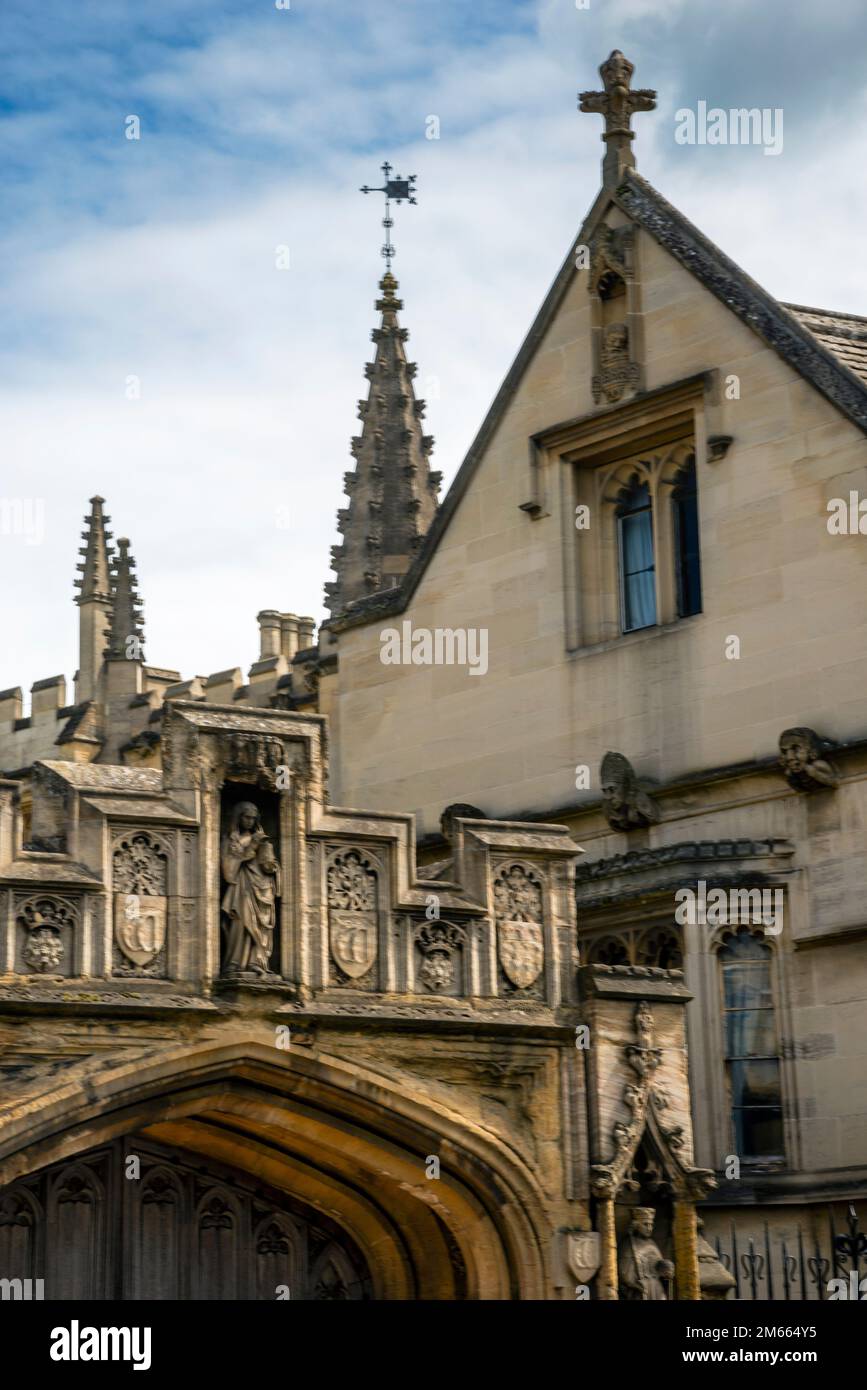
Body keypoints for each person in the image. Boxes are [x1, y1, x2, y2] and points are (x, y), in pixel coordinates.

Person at [220, 801, 280, 977]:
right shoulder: (231, 840)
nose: (250, 821)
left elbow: (271, 863)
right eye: (246, 817)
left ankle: (257, 961)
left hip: (263, 888)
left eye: (253, 818)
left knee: (261, 926)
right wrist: (252, 845)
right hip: (242, 887)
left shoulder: (263, 839)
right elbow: (228, 870)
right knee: (241, 923)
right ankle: (235, 962)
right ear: (239, 818)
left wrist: (272, 866)